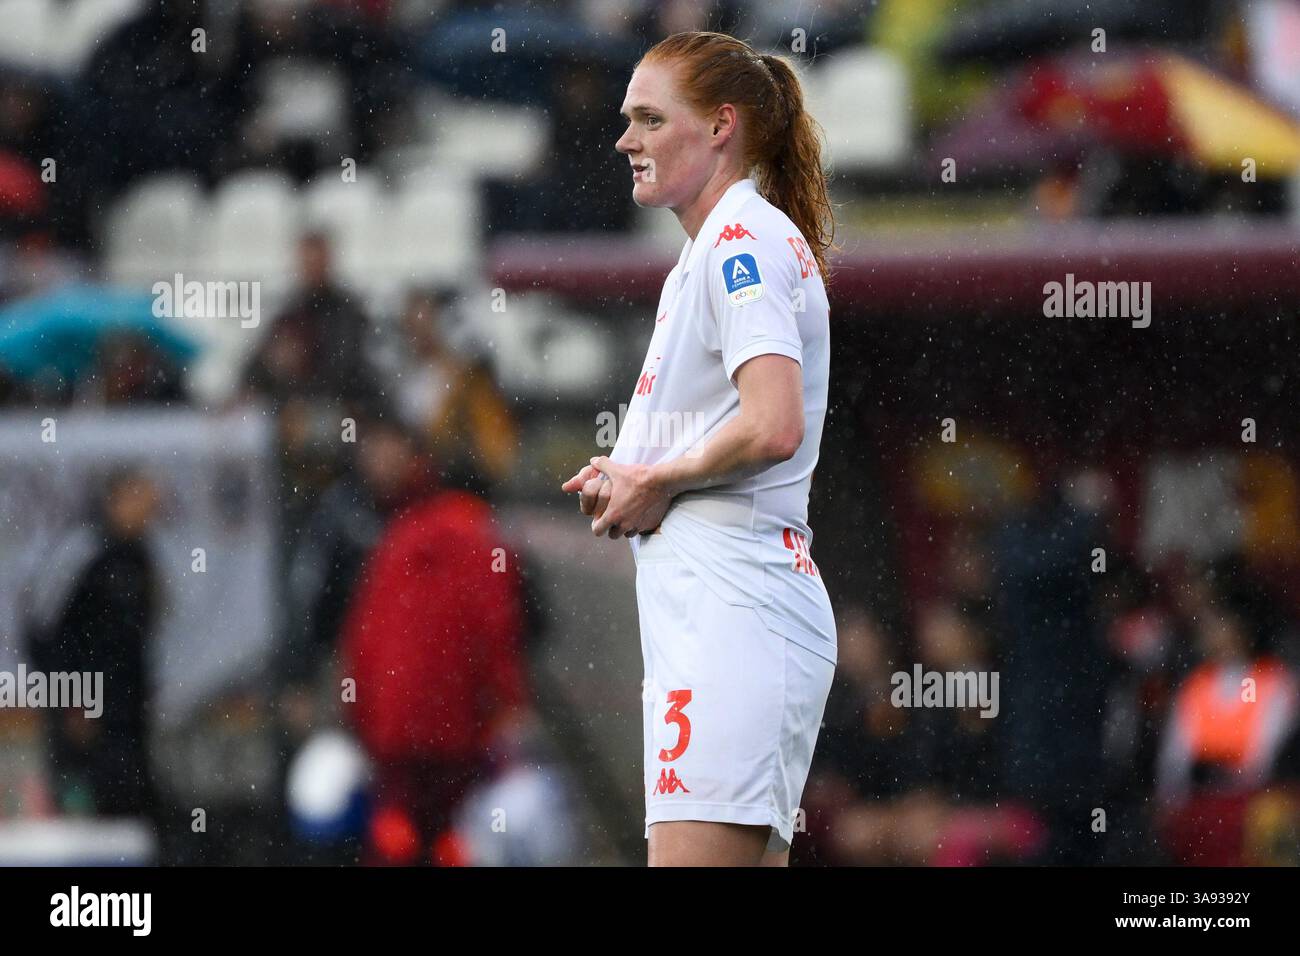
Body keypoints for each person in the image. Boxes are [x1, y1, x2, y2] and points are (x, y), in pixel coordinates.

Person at [561, 31, 837, 866]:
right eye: (626, 119)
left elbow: (773, 422)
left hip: (736, 613)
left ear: (721, 126)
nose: (625, 140)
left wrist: (655, 480)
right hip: (718, 617)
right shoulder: (707, 251)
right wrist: (633, 476)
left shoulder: (742, 244)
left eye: (649, 119)